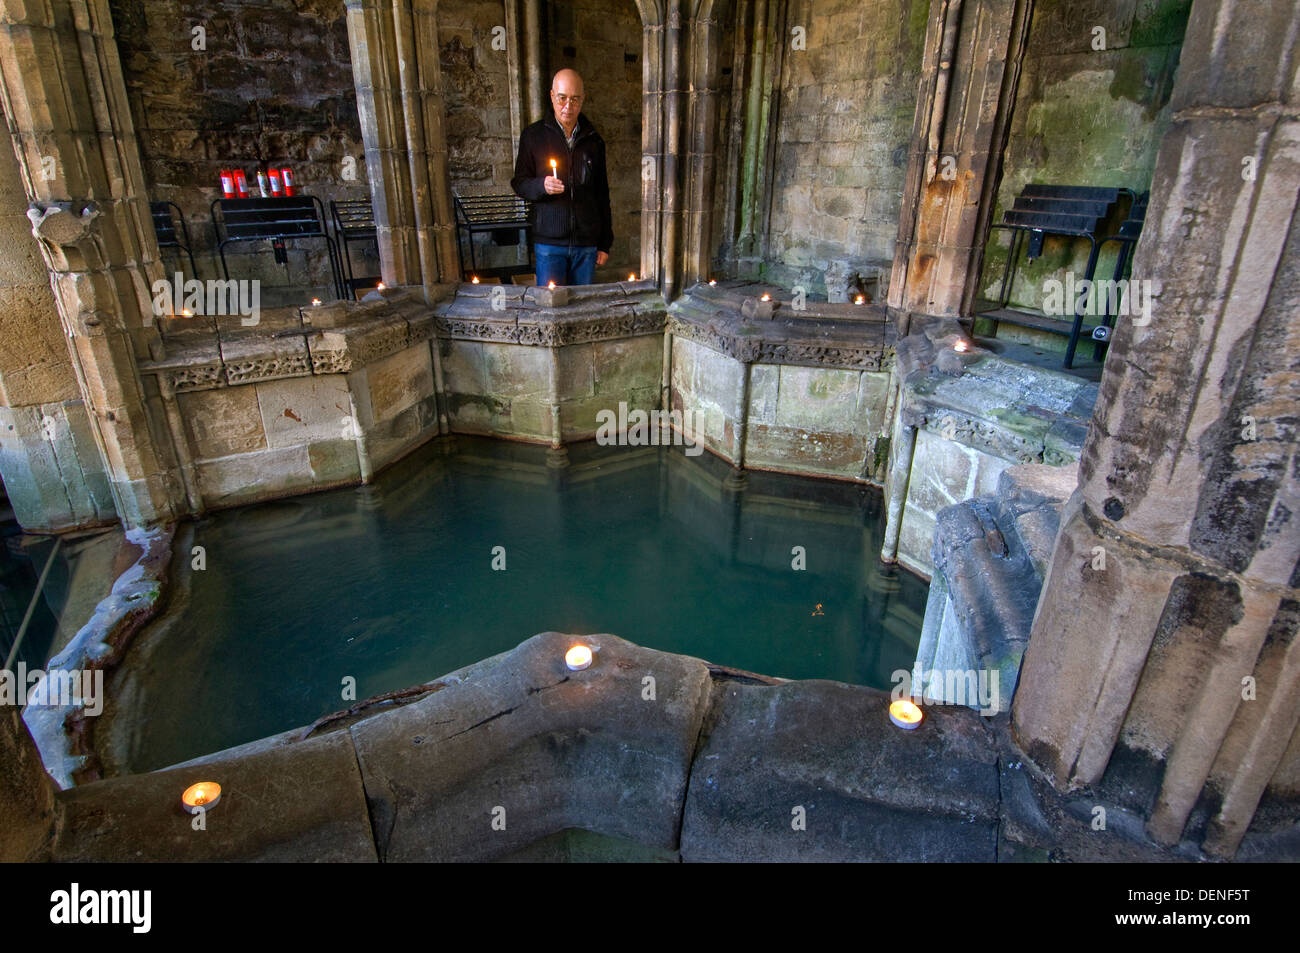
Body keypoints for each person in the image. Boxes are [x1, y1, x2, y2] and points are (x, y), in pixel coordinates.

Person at [510, 69, 613, 286]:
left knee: (581, 309)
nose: (568, 106)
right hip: (549, 244)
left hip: (586, 244)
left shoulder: (594, 140)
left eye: (575, 99)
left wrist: (604, 243)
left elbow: (602, 194)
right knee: (551, 312)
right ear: (551, 96)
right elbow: (519, 183)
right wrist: (541, 186)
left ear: (583, 99)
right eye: (562, 98)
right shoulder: (533, 136)